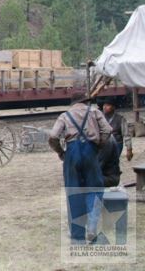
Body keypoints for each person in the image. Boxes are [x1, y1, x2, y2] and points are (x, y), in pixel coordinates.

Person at [48, 93, 113, 244]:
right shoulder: (95, 112)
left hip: (72, 152)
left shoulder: (65, 115)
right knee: (95, 189)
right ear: (86, 102)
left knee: (74, 192)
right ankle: (92, 227)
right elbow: (107, 130)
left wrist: (61, 152)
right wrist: (98, 145)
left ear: (73, 103)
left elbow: (53, 137)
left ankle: (77, 236)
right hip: (90, 151)